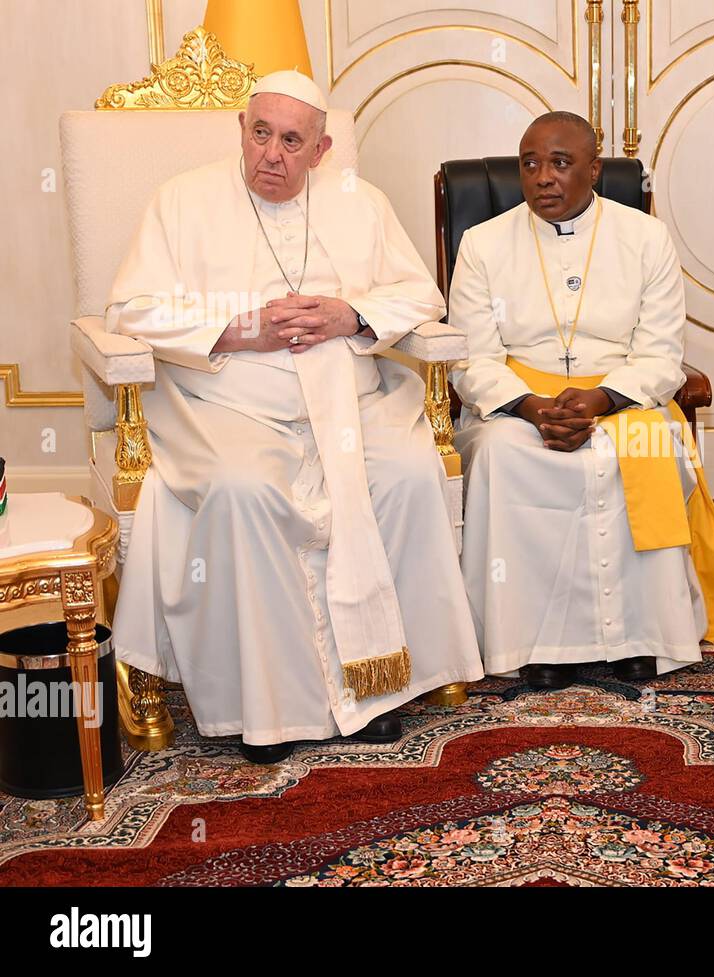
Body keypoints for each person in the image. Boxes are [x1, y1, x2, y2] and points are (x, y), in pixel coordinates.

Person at [107, 71, 483, 764]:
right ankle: (271, 707)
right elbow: (130, 310)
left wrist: (351, 313)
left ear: (321, 150)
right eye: (259, 133)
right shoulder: (181, 201)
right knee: (245, 490)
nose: (270, 155)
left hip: (348, 398)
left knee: (406, 472)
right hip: (228, 402)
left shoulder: (360, 204)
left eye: (290, 140)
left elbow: (419, 294)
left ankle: (382, 686)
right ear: (240, 131)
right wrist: (238, 327)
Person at [449, 111, 714, 689]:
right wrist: (533, 408)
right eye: (529, 164)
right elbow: (471, 359)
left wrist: (603, 400)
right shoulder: (482, 244)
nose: (542, 178)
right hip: (516, 404)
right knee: (508, 456)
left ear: (594, 169)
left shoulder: (644, 236)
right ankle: (533, 641)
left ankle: (642, 636)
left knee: (648, 445)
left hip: (622, 397)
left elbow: (661, 354)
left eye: (560, 163)